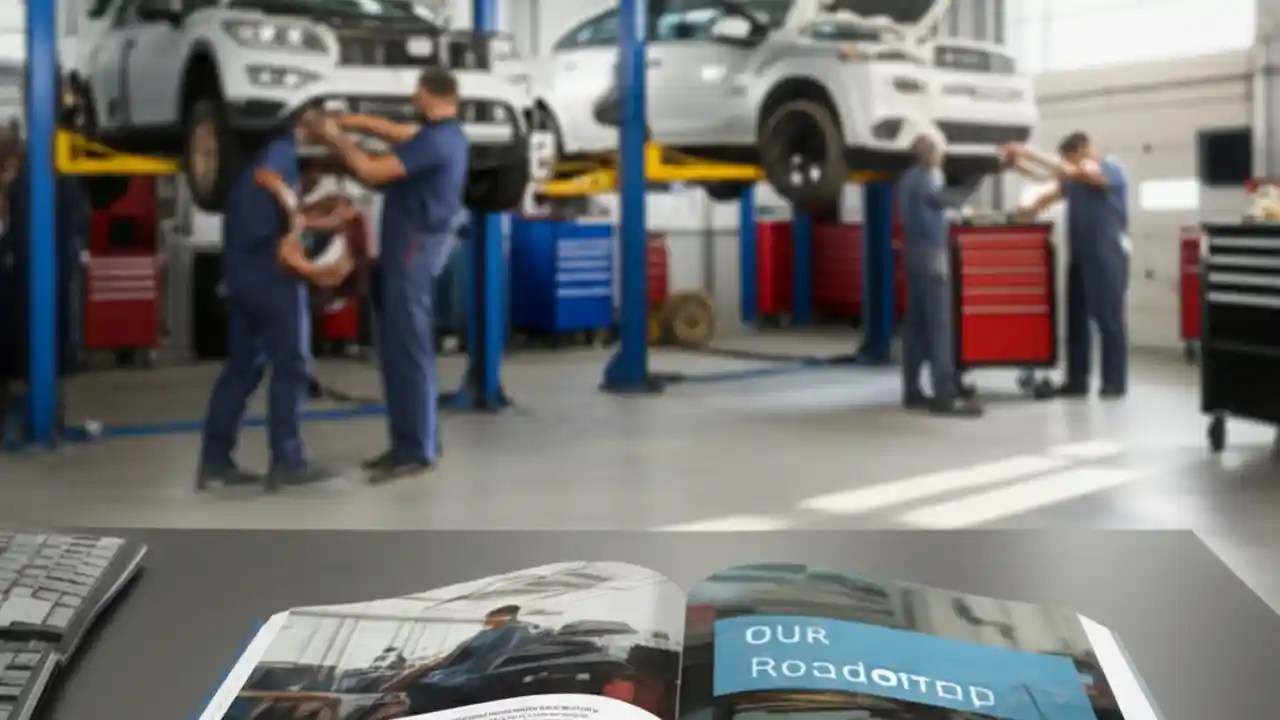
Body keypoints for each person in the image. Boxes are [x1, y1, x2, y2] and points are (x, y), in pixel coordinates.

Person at [311, 67, 469, 483]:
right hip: (402, 252)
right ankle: (406, 443)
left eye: (416, 93)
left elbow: (372, 172)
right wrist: (351, 121)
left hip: (412, 253)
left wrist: (337, 139)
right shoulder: (444, 136)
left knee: (409, 351)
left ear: (429, 95)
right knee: (396, 353)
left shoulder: (436, 142)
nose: (413, 100)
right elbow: (393, 132)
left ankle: (418, 449)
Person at [197, 110, 355, 492]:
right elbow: (276, 207)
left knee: (242, 368)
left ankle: (214, 464)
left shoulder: (253, 155)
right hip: (271, 275)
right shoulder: (280, 152)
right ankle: (287, 461)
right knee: (293, 364)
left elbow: (275, 212)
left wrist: (314, 215)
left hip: (241, 273)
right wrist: (319, 257)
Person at [1004, 133, 1130, 399]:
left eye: (1069, 159)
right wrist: (1018, 168)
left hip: (1106, 255)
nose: (1067, 165)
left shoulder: (1109, 168)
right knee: (1076, 319)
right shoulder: (1073, 178)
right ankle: (1076, 381)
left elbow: (1080, 174)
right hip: (1081, 255)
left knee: (1109, 320)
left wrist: (1029, 152)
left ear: (1082, 150)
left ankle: (1114, 383)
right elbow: (1048, 182)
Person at [896, 134, 983, 417]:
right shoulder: (930, 176)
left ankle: (911, 391)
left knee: (916, 326)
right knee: (939, 327)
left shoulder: (906, 179)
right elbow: (945, 199)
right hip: (933, 258)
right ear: (933, 154)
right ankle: (944, 394)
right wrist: (975, 179)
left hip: (913, 255)